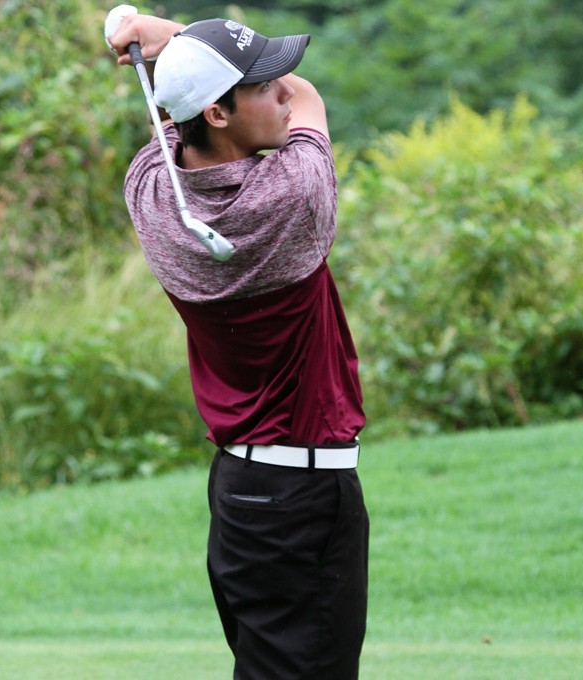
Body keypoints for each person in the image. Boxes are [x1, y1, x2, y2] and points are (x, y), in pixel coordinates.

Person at [107, 11, 368, 680]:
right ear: (217, 113)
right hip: (303, 493)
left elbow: (171, 127)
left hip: (242, 493)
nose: (282, 92)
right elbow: (308, 97)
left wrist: (187, 57)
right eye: (263, 85)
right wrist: (174, 33)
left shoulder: (148, 190)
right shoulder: (294, 193)